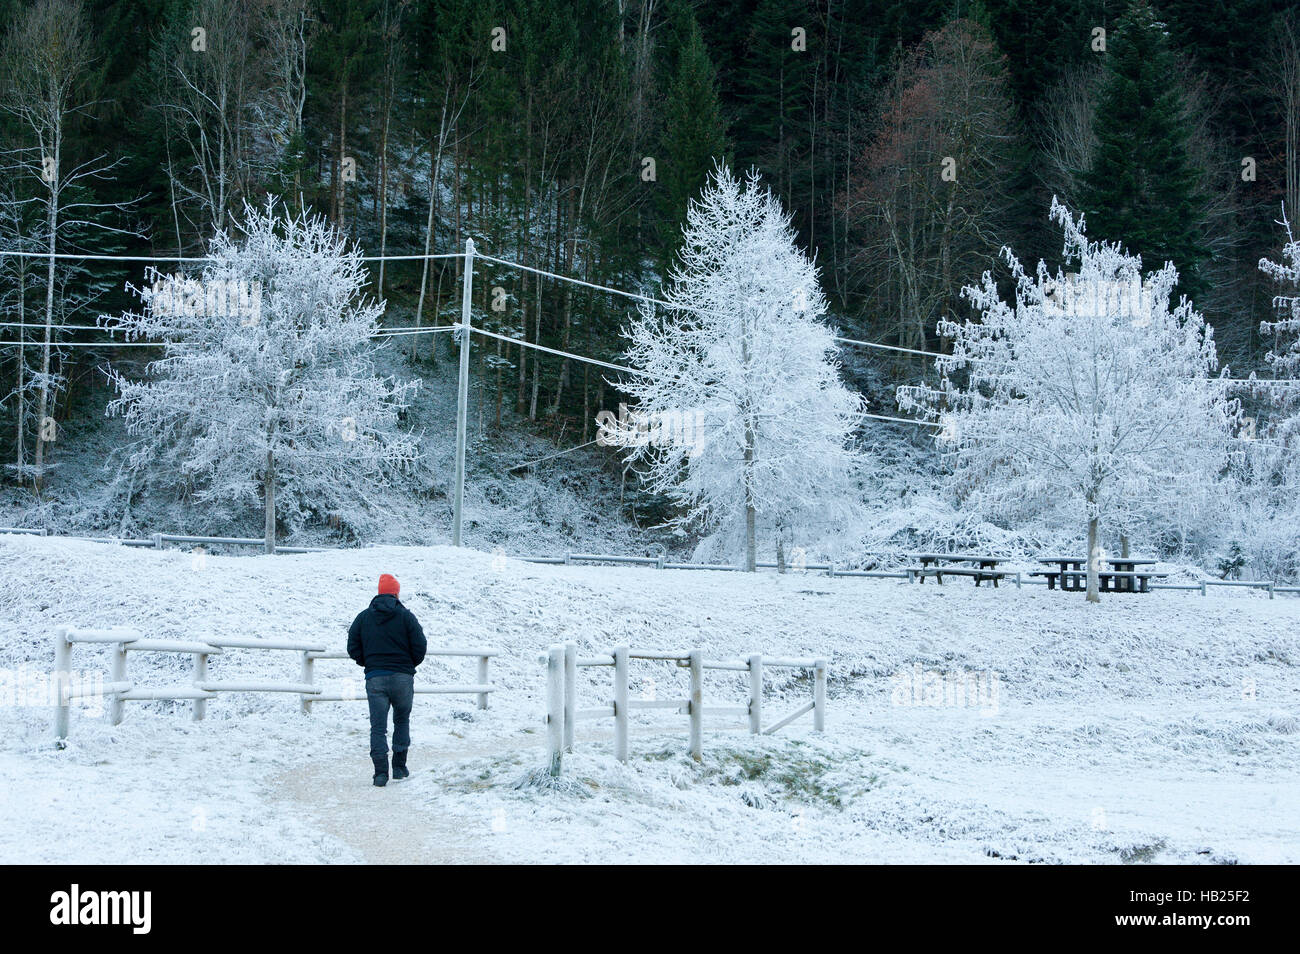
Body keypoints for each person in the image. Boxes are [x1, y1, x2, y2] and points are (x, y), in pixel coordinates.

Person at [347, 573, 426, 786]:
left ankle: (380, 773)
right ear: (396, 593)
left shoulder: (363, 617)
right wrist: (408, 666)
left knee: (378, 726)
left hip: (375, 678)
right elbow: (420, 646)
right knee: (401, 720)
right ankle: (399, 767)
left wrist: (368, 663)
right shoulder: (406, 616)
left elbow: (352, 646)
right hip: (402, 677)